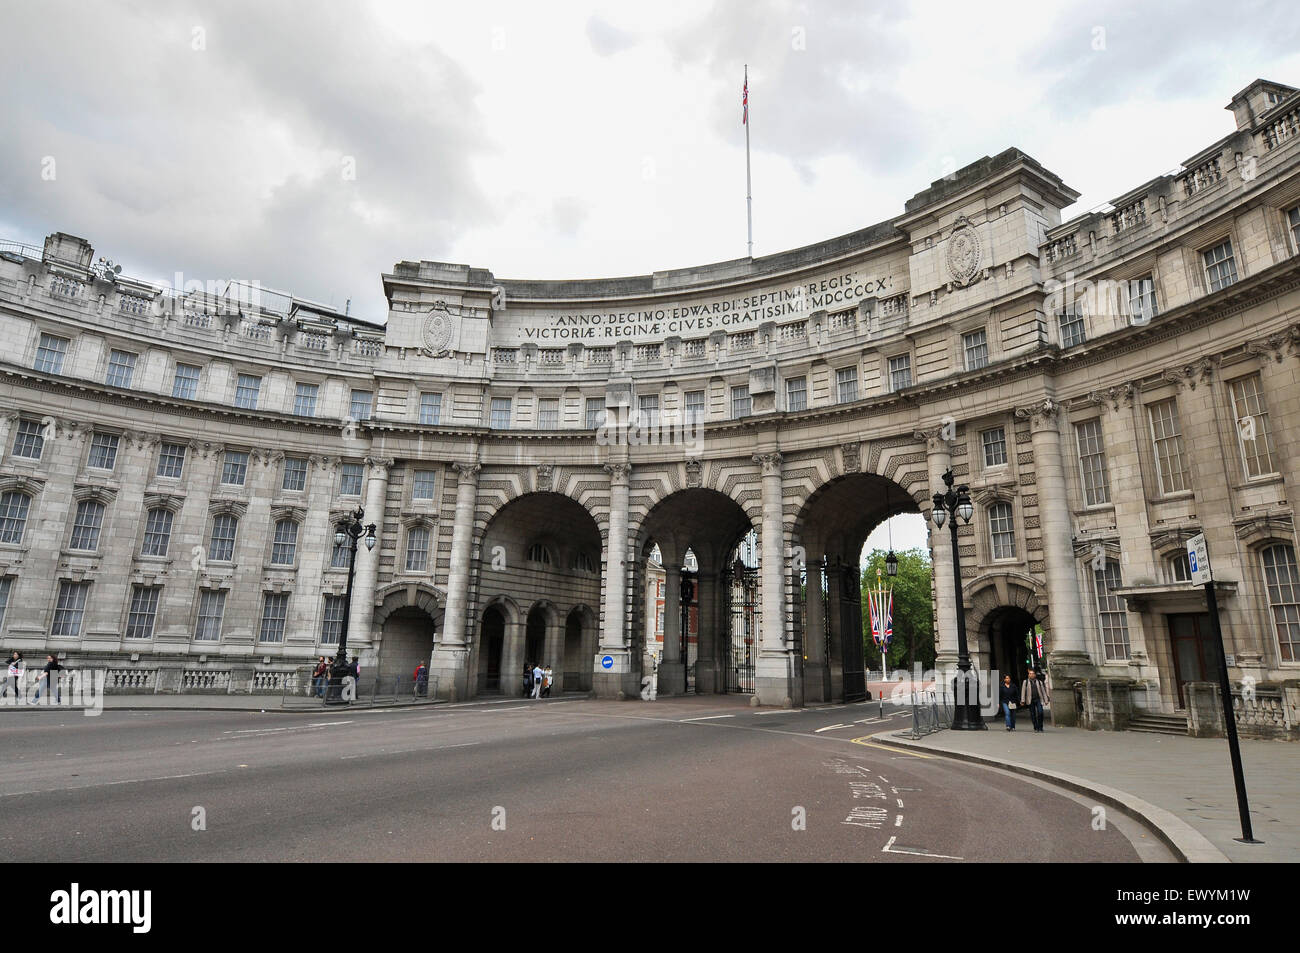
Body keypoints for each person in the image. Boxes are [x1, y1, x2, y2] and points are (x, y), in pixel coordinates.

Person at [1021, 667, 1051, 732]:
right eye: (1030, 674)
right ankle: (1036, 727)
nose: (1031, 675)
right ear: (1028, 675)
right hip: (1030, 700)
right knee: (1032, 714)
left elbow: (1043, 691)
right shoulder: (1025, 682)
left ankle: (1040, 726)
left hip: (1038, 699)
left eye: (1033, 674)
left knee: (1040, 712)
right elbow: (1023, 691)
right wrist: (1022, 700)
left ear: (1035, 675)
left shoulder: (1039, 682)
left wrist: (1046, 700)